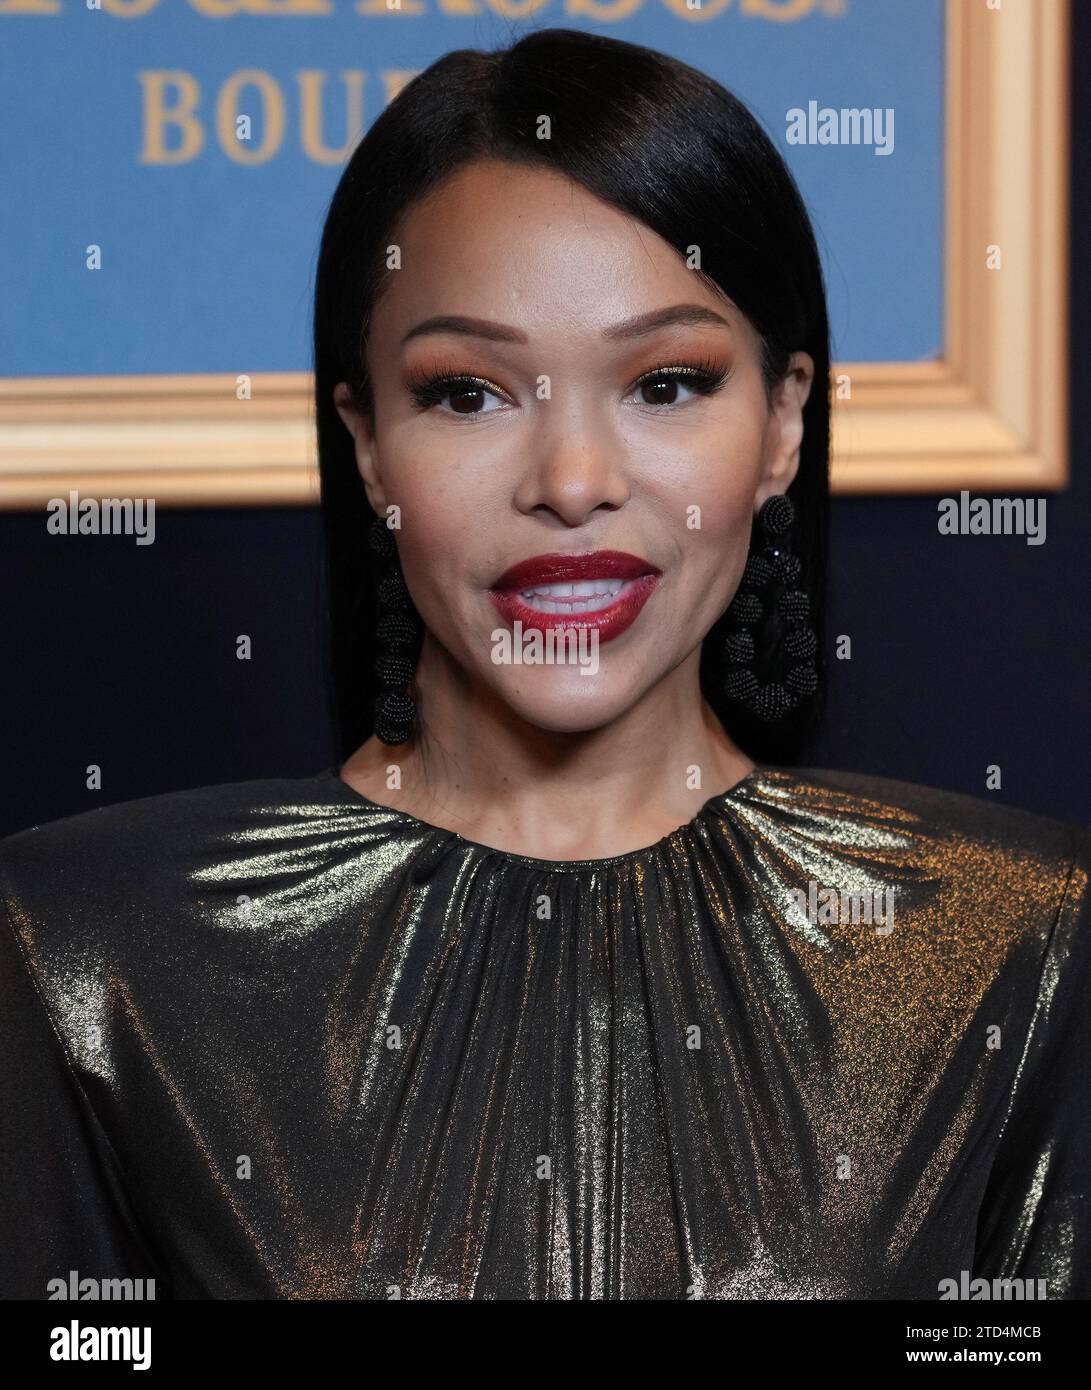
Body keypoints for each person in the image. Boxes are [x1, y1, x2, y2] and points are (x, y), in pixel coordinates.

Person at [2, 28, 1089, 1301]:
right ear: (364, 441)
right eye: (468, 394)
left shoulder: (1019, 937)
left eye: (667, 382)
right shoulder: (87, 950)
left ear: (783, 421)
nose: (572, 483)